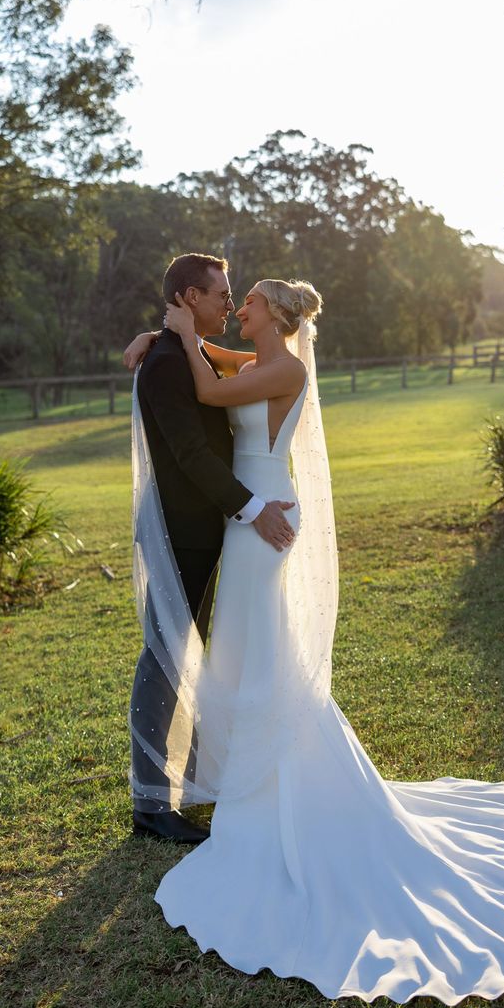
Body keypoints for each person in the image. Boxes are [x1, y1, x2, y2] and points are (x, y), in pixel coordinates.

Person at [127, 277, 504, 1003]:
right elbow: (211, 361)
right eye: (228, 299)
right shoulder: (260, 359)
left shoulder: (288, 367)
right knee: (246, 647)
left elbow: (209, 393)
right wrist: (164, 337)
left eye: (247, 303)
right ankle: (247, 770)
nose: (237, 307)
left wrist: (179, 337)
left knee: (264, 650)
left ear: (273, 314)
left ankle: (274, 783)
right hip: (249, 520)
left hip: (262, 514)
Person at [126, 253, 297, 844]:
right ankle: (150, 802)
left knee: (197, 652)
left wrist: (166, 332)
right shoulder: (167, 364)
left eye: (236, 297)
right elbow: (191, 456)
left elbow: (221, 382)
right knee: (165, 656)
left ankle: (199, 777)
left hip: (211, 526)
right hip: (183, 527)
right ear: (190, 296)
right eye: (222, 294)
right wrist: (251, 509)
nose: (230, 303)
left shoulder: (181, 351)